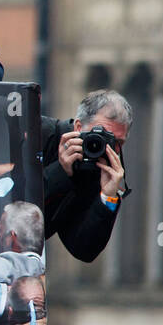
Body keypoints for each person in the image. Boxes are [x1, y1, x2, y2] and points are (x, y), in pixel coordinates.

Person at [42, 89, 131, 262]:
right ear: (78, 127)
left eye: (116, 142)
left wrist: (108, 198)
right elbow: (12, 207)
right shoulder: (40, 135)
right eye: (98, 136)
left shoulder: (107, 169)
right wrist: (61, 171)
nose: (105, 147)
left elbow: (84, 250)